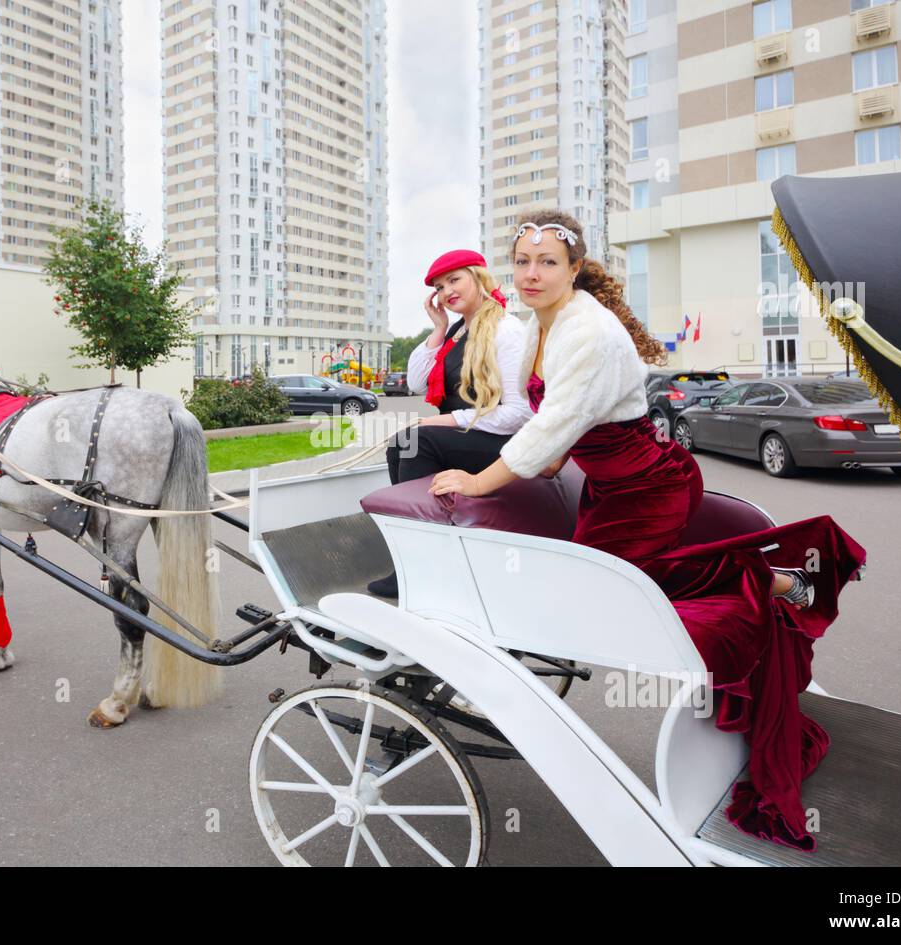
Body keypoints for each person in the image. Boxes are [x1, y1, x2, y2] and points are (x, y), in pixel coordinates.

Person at [429, 209, 867, 852]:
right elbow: (551, 420)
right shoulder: (538, 324)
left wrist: (478, 483)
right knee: (611, 583)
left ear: (575, 269)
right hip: (615, 484)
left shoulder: (588, 330)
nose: (531, 273)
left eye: (547, 262)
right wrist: (543, 461)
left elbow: (555, 426)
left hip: (649, 485)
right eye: (522, 261)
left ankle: (775, 579)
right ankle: (769, 578)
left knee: (621, 591)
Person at [368, 249, 531, 597]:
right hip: (471, 434)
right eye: (440, 287)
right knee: (403, 444)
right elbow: (415, 382)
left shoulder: (507, 329)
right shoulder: (457, 331)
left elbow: (521, 413)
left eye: (454, 280)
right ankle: (412, 556)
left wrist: (448, 419)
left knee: (420, 440)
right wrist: (438, 328)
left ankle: (419, 564)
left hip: (505, 442)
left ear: (478, 277)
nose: (446, 292)